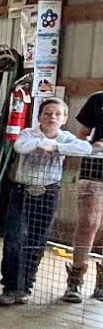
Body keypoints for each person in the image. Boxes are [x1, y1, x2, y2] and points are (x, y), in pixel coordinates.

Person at [0, 98, 91, 306]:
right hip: (22, 191)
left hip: (48, 192)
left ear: (64, 118)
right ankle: (10, 286)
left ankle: (24, 287)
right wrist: (42, 143)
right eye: (48, 113)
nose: (52, 117)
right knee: (13, 238)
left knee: (36, 241)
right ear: (39, 116)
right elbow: (20, 147)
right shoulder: (29, 134)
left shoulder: (66, 138)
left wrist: (55, 147)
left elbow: (84, 148)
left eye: (58, 114)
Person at [63, 88, 103, 302]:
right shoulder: (97, 99)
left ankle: (102, 282)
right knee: (88, 222)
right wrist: (89, 146)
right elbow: (82, 134)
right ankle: (75, 277)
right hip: (95, 170)